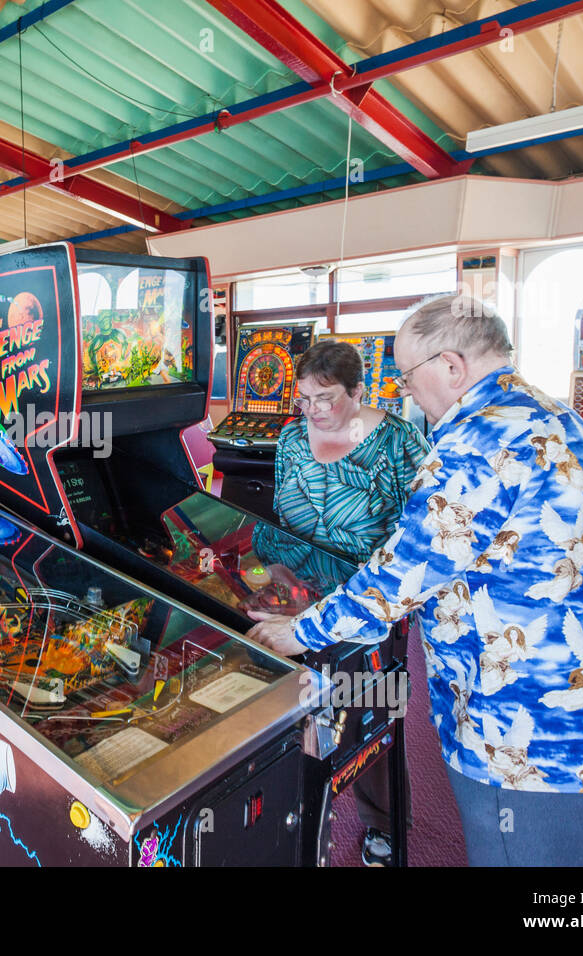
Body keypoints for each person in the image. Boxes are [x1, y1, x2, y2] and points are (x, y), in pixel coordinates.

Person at [247, 294, 583, 867]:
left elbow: (405, 571)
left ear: (452, 366)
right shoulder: (553, 414)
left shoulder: (477, 442)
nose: (407, 391)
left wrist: (304, 631)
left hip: (523, 721)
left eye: (409, 376)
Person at [252, 340, 430, 866]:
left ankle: (384, 824)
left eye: (327, 397)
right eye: (305, 397)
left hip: (368, 611)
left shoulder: (399, 443)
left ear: (358, 390)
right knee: (300, 722)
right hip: (298, 603)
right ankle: (299, 833)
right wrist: (274, 568)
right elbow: (282, 521)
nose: (314, 409)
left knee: (370, 718)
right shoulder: (290, 438)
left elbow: (418, 543)